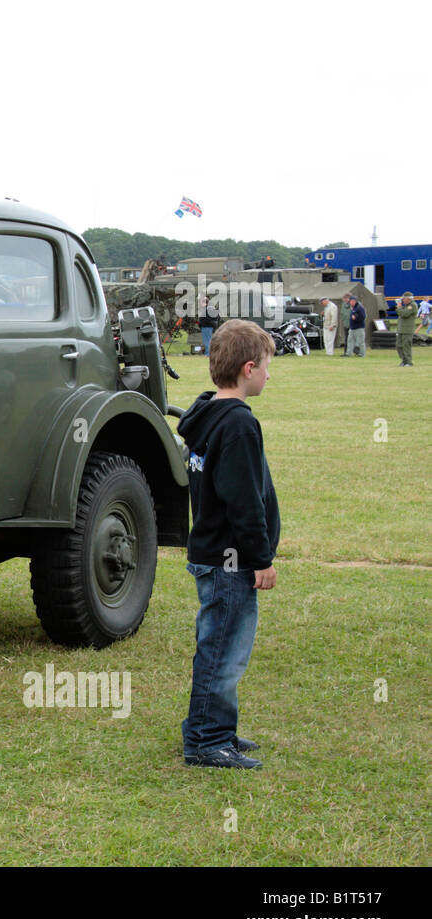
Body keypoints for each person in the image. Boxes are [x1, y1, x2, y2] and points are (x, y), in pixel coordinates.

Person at [177, 319, 279, 769]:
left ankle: (218, 729)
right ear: (249, 368)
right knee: (223, 650)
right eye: (268, 367)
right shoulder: (237, 424)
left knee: (221, 647)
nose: (269, 376)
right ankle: (205, 740)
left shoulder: (208, 415)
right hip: (229, 561)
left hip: (215, 556)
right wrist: (260, 559)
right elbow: (243, 500)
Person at [394, 291, 417, 367]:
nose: (403, 300)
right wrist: (400, 308)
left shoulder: (412, 305)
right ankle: (404, 360)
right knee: (399, 345)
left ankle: (408, 362)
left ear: (408, 299)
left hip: (407, 330)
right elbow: (401, 313)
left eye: (404, 299)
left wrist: (399, 307)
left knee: (406, 346)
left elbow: (405, 314)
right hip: (401, 329)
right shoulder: (406, 306)